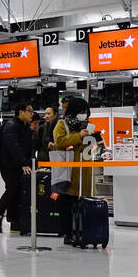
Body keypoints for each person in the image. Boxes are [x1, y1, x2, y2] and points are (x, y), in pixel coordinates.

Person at [53, 97, 101, 245]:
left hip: (85, 170)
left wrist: (95, 141)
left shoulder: (90, 126)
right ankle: (68, 233)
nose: (84, 115)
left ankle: (83, 231)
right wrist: (78, 136)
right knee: (67, 204)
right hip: (68, 171)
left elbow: (90, 147)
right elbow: (59, 142)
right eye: (81, 112)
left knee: (85, 203)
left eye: (86, 112)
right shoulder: (62, 124)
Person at [0, 102, 35, 234]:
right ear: (20, 112)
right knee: (12, 189)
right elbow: (13, 147)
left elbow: (28, 147)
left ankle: (14, 222)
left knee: (17, 192)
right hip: (9, 165)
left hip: (20, 165)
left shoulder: (26, 127)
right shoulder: (11, 126)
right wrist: (24, 162)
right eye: (29, 110)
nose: (31, 114)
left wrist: (30, 160)